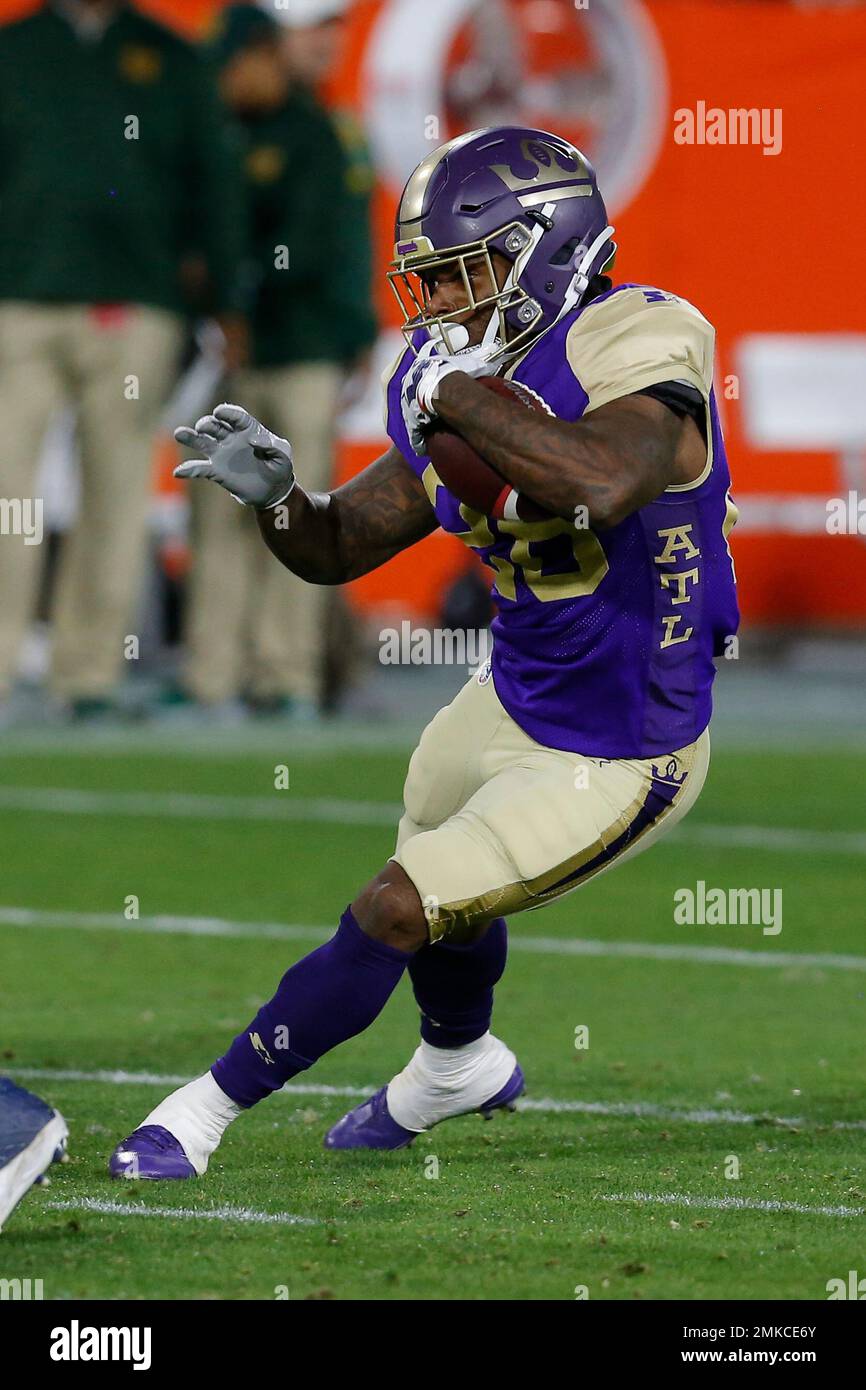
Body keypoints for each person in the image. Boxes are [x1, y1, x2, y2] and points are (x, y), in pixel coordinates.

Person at [108, 126, 738, 1178]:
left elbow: (600, 482)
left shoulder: (635, 339)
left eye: (462, 272)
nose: (439, 302)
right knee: (444, 907)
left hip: (627, 739)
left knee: (398, 904)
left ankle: (201, 1112)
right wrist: (279, 503)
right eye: (426, 281)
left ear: (546, 249)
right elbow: (344, 542)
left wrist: (457, 394)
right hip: (509, 695)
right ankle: (457, 1066)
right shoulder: (450, 369)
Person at [0, 0, 246, 721]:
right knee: (7, 495)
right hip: (20, 298)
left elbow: (215, 179)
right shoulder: (15, 48)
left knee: (115, 494)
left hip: (138, 303)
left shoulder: (171, 56)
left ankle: (89, 675)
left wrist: (225, 296)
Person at [180, 1, 376, 718]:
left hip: (302, 351)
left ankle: (285, 677)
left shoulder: (314, 132)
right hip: (243, 353)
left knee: (292, 514)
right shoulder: (224, 132)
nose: (228, 82)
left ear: (264, 56)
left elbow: (313, 248)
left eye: (237, 66)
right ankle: (212, 678)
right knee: (224, 515)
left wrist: (233, 294)